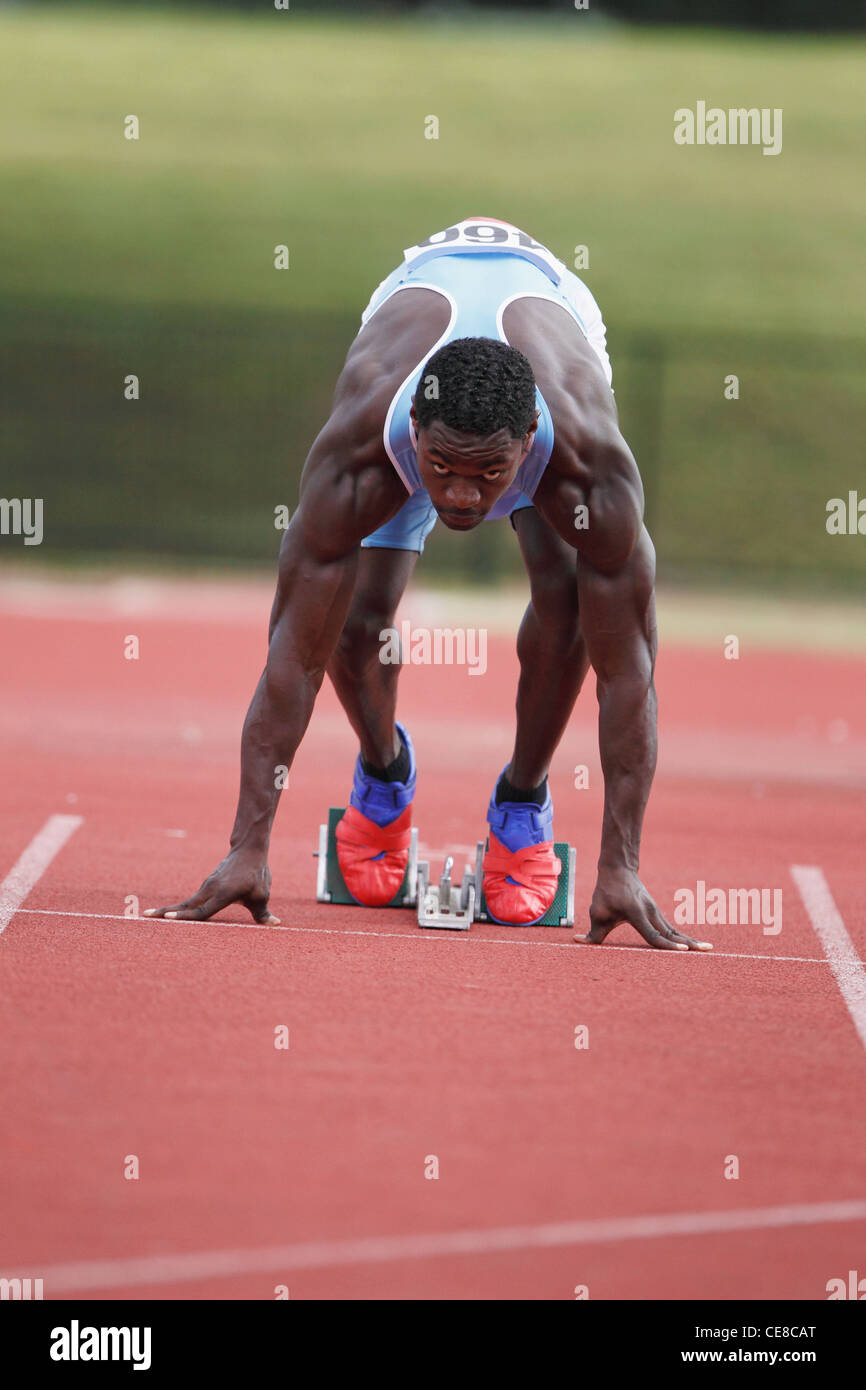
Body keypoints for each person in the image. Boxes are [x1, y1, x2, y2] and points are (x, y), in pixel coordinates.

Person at [145, 217, 711, 951]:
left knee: (570, 612)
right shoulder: (360, 452)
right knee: (351, 624)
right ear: (413, 435)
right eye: (441, 470)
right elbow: (292, 657)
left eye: (490, 476)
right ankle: (383, 778)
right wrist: (247, 846)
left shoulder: (589, 466)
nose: (464, 499)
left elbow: (628, 672)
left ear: (527, 444)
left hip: (551, 310)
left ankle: (523, 802)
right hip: (417, 307)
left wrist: (621, 865)